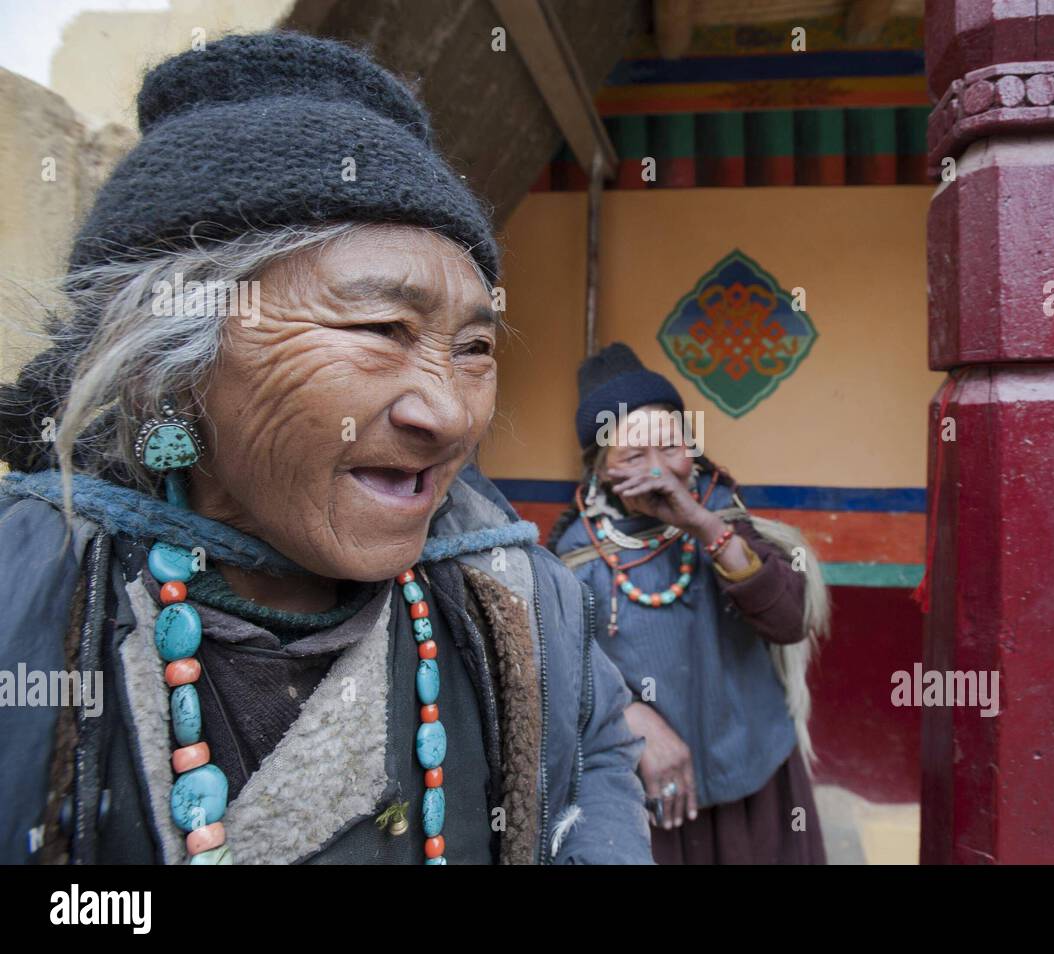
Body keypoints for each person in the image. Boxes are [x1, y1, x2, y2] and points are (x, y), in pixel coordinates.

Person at [0, 32, 651, 865]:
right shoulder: (34, 602)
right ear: (165, 363)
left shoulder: (518, 594)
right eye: (383, 328)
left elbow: (594, 748)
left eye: (474, 349)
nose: (450, 415)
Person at [549, 343, 830, 864]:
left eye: (670, 448)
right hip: (651, 800)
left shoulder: (727, 520)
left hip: (756, 783)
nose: (660, 472)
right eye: (634, 456)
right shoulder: (574, 559)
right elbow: (563, 675)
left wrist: (702, 525)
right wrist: (630, 717)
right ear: (600, 472)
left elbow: (789, 621)